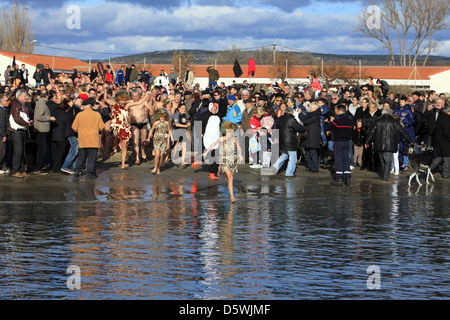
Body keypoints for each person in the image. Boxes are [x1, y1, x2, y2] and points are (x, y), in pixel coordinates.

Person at [365, 108, 413, 182]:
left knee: (382, 160)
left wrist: (367, 142)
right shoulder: (394, 122)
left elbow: (372, 132)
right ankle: (386, 177)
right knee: (388, 161)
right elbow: (402, 132)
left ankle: (384, 174)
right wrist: (409, 141)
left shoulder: (378, 121)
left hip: (379, 144)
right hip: (390, 144)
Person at [202, 121, 243, 203]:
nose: (230, 133)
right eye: (228, 132)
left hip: (233, 160)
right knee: (230, 178)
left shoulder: (235, 139)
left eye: (231, 132)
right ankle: (232, 197)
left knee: (229, 178)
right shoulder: (221, 139)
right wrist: (206, 152)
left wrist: (241, 155)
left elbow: (239, 148)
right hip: (224, 160)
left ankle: (220, 170)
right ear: (225, 131)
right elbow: (213, 145)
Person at [72, 98, 105, 178]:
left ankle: (77, 169)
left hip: (83, 138)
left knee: (81, 155)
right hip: (93, 139)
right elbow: (102, 127)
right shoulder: (96, 114)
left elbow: (74, 127)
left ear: (84, 106)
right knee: (91, 157)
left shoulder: (79, 114)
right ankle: (89, 173)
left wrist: (80, 130)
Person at [272, 107, 306, 177]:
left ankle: (274, 168)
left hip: (281, 141)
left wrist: (275, 137)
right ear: (291, 112)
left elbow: (274, 129)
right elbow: (299, 128)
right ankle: (289, 173)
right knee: (292, 158)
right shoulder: (292, 119)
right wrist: (304, 129)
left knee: (284, 155)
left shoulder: (279, 119)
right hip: (290, 142)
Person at [325, 105, 353, 186]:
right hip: (347, 141)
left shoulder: (337, 120)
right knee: (346, 159)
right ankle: (347, 179)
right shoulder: (349, 120)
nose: (335, 112)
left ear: (340, 111)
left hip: (339, 141)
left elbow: (329, 127)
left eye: (336, 110)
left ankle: (339, 178)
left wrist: (327, 122)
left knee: (338, 160)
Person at [9, 89, 32, 178]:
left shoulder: (22, 105)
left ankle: (22, 169)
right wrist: (27, 124)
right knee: (18, 151)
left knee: (22, 151)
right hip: (17, 131)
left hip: (22, 130)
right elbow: (17, 118)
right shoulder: (16, 105)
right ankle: (15, 170)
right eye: (24, 96)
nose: (26, 98)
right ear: (19, 96)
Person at [33, 90, 56, 175]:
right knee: (42, 149)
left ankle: (39, 167)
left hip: (43, 129)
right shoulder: (41, 103)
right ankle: (38, 168)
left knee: (42, 149)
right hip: (41, 129)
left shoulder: (42, 103)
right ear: (47, 96)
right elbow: (38, 116)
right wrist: (50, 118)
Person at [60, 94, 83, 174]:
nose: (81, 104)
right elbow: (77, 120)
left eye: (81, 102)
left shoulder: (71, 109)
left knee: (77, 150)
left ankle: (75, 167)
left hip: (71, 132)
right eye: (80, 102)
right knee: (75, 149)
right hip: (72, 132)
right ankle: (65, 166)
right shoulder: (76, 108)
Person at [111, 93, 132, 170]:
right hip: (117, 127)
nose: (122, 102)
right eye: (121, 100)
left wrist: (147, 96)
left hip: (125, 127)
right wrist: (106, 91)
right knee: (124, 145)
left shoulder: (127, 106)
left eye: (124, 100)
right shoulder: (115, 105)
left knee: (125, 145)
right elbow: (107, 100)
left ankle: (123, 163)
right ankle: (123, 163)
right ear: (118, 100)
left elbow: (138, 102)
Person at [147, 108, 172, 175]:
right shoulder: (156, 123)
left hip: (163, 139)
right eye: (161, 116)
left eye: (163, 117)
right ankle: (155, 167)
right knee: (157, 154)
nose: (162, 118)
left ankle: (158, 168)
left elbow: (169, 131)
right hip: (157, 138)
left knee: (161, 155)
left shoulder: (166, 123)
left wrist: (171, 138)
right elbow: (151, 130)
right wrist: (148, 138)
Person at [299, 102, 322, 173]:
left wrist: (300, 114)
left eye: (311, 107)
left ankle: (315, 167)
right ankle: (310, 166)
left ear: (314, 108)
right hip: (308, 136)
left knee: (313, 152)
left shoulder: (316, 116)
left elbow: (306, 121)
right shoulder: (311, 115)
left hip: (313, 137)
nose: (309, 108)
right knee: (308, 152)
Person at [430, 105, 450, 178]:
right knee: (447, 157)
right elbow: (447, 132)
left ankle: (430, 167)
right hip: (445, 141)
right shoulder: (446, 119)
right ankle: (446, 174)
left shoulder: (440, 117)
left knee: (440, 156)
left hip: (439, 140)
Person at [0, 94, 9, 174]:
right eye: (6, 100)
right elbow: (2, 124)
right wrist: (4, 135)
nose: (8, 102)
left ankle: (4, 167)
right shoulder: (1, 110)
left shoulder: (3, 109)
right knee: (2, 152)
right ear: (2, 102)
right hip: (1, 135)